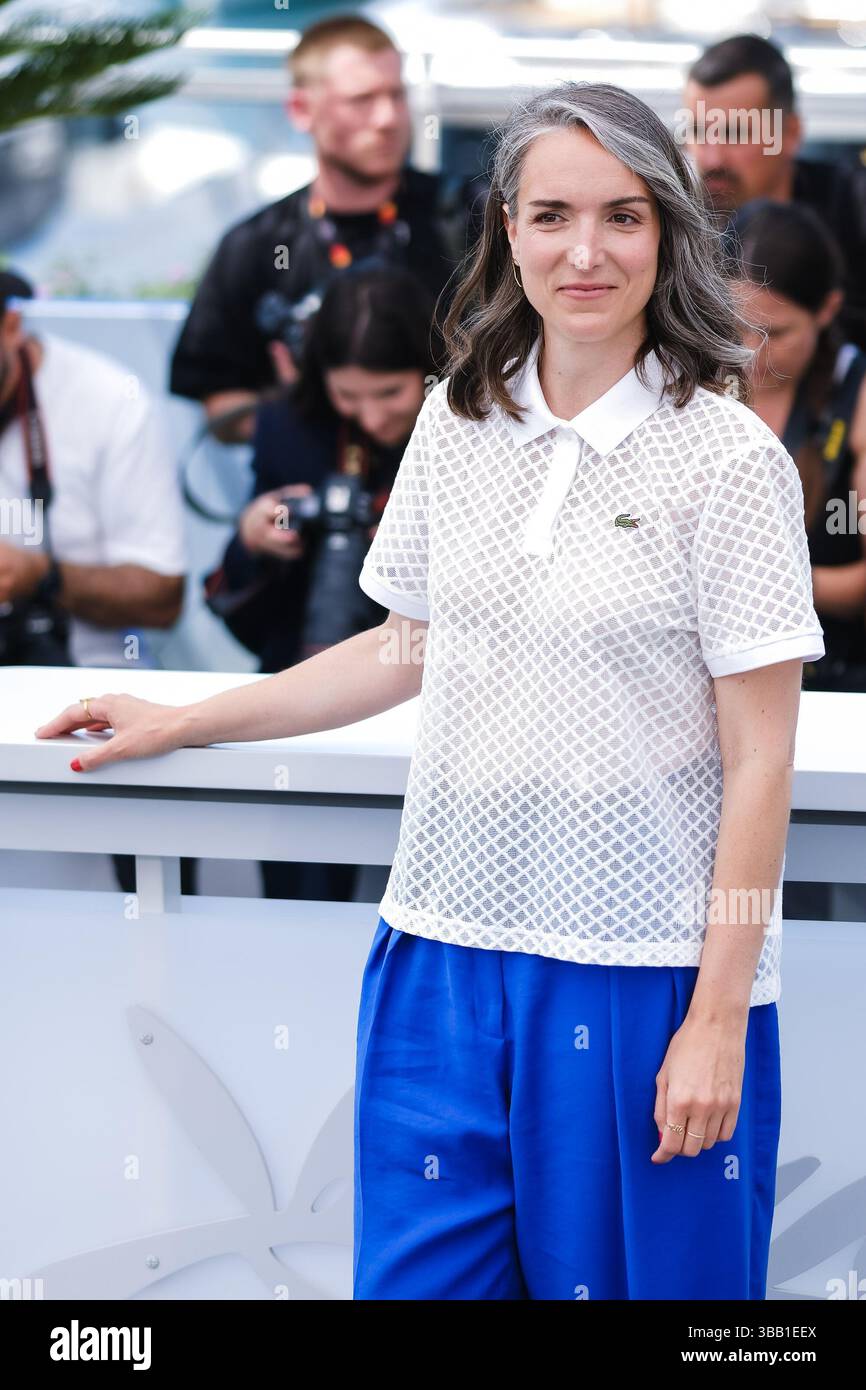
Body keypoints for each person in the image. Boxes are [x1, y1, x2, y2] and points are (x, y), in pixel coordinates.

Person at [34, 80, 826, 1301]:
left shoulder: (727, 461)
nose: (584, 251)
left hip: (640, 974)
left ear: (666, 230)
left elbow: (759, 755)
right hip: (438, 952)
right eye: (552, 213)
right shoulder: (460, 419)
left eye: (621, 215)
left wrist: (716, 1012)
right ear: (506, 227)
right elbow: (405, 647)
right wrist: (186, 714)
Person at [205, 266, 438, 902]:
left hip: (439, 693)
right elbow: (235, 588)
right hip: (304, 682)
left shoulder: (466, 423)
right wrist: (256, 535)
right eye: (349, 396)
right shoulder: (288, 425)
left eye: (390, 393)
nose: (371, 415)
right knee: (299, 890)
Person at [169, 12, 486, 441]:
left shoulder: (472, 220)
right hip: (309, 497)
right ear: (302, 109)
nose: (388, 119)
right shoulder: (256, 244)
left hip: (451, 494)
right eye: (362, 100)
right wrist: (303, 401)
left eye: (396, 96)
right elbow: (219, 407)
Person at [0, 269, 186, 669]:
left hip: (84, 686)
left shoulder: (110, 401)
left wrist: (39, 576)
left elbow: (162, 598)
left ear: (11, 327)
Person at [729, 200, 866, 694]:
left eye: (775, 333)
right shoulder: (687, 377)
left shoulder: (858, 400)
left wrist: (753, 575)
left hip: (834, 684)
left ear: (827, 309)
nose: (750, 349)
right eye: (735, 324)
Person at [682, 32, 866, 352]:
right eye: (698, 130)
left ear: (791, 133)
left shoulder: (855, 208)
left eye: (735, 133)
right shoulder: (669, 225)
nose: (711, 157)